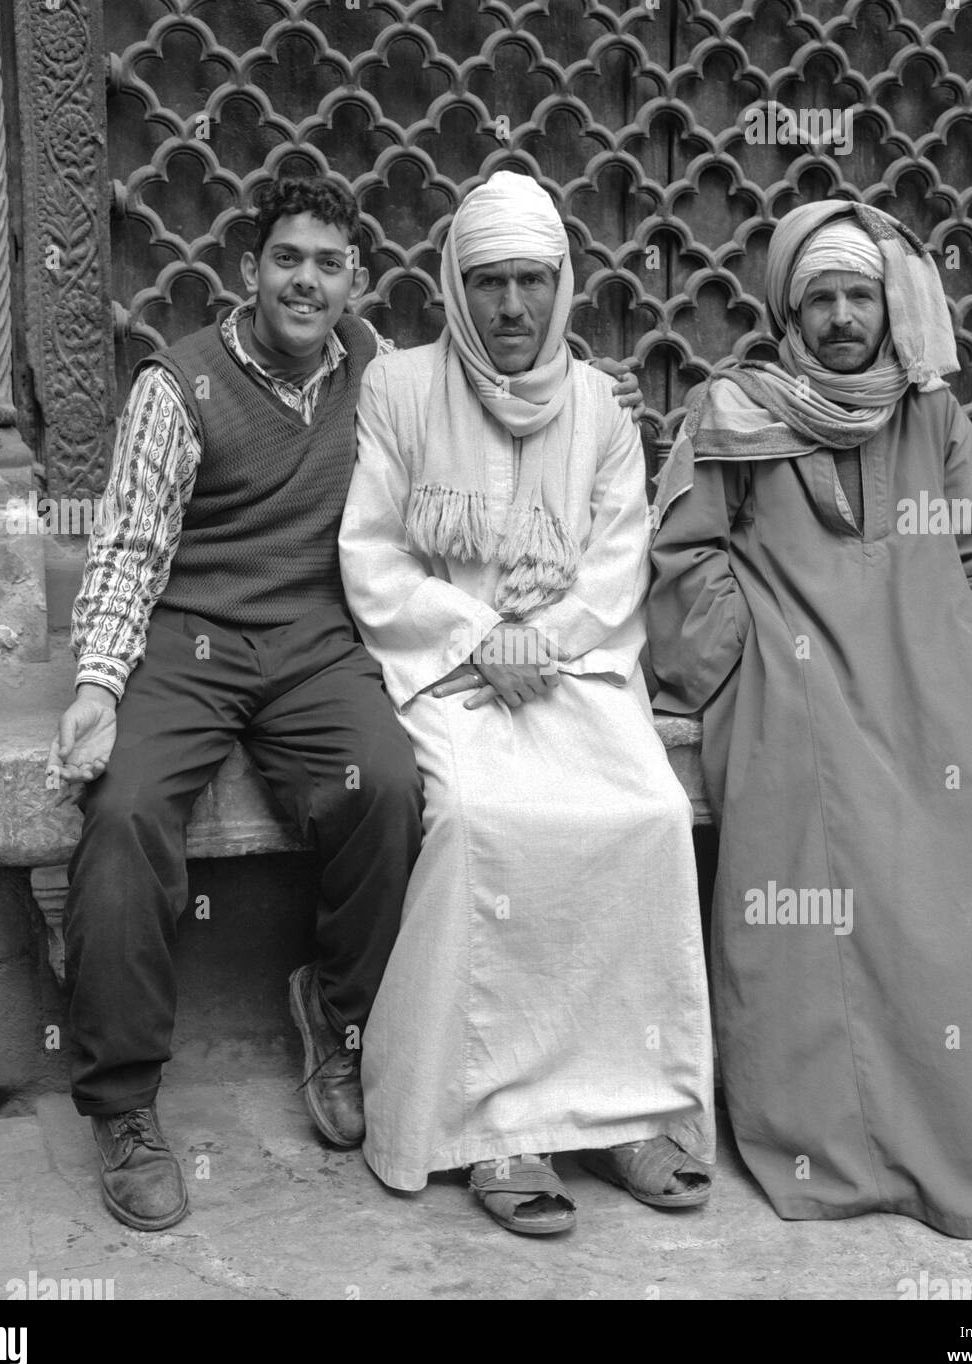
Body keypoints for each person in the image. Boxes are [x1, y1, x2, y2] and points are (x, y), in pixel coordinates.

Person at [49, 175, 644, 1232]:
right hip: (189, 645)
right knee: (128, 810)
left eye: (329, 265)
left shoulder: (376, 370)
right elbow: (129, 548)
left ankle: (339, 1018)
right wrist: (99, 686)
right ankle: (121, 1099)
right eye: (287, 260)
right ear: (248, 270)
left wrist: (592, 389)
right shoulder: (177, 387)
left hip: (317, 646)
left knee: (385, 789)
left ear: (356, 282)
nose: (306, 283)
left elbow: (494, 386)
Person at [647, 198, 972, 1238]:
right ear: (785, 307)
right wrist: (744, 663)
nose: (837, 317)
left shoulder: (931, 413)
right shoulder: (731, 411)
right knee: (805, 884)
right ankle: (829, 1133)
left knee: (949, 890)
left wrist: (966, 659)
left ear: (883, 303)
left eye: (856, 295)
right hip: (798, 692)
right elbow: (684, 557)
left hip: (923, 697)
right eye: (816, 297)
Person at [339, 170, 714, 1235]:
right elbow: (369, 552)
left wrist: (540, 641)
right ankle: (496, 1124)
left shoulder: (597, 402)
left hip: (571, 666)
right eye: (489, 283)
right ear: (454, 290)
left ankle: (629, 1107)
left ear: (563, 288)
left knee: (642, 817)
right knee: (477, 822)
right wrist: (474, 636)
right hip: (453, 675)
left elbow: (615, 557)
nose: (511, 308)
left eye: (531, 283)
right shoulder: (401, 388)